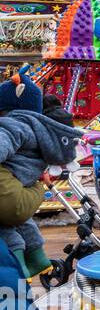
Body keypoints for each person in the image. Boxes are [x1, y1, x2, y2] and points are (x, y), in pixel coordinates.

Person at [0, 70, 83, 278]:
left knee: (4, 226)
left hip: (9, 189)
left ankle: (18, 265)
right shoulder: (39, 129)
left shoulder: (12, 123)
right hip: (26, 187)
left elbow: (3, 142)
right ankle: (37, 258)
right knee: (22, 221)